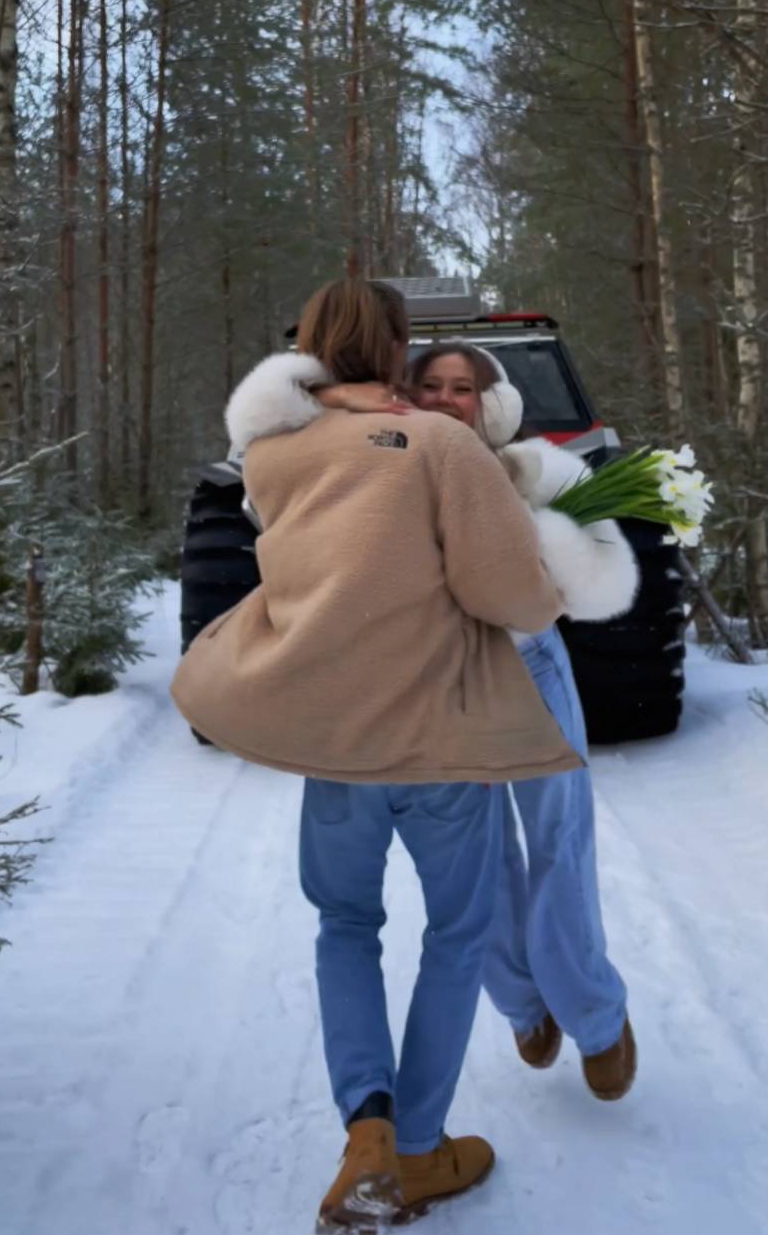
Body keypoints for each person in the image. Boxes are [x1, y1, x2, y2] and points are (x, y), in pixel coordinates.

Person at [171, 279, 579, 1234]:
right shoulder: (436, 443)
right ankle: (421, 1149)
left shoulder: (269, 453)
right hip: (437, 743)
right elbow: (509, 592)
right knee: (456, 932)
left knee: (344, 927)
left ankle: (365, 1131)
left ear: (309, 348)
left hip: (335, 748)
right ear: (396, 347)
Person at [234, 338, 639, 1102]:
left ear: (490, 402)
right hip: (439, 682)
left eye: (464, 387)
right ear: (408, 394)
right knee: (482, 864)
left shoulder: (538, 467)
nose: (449, 398)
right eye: (434, 385)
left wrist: (534, 530)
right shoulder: (387, 459)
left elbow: (601, 580)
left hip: (530, 669)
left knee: (560, 841)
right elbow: (278, 501)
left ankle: (594, 1012)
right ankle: (522, 1003)